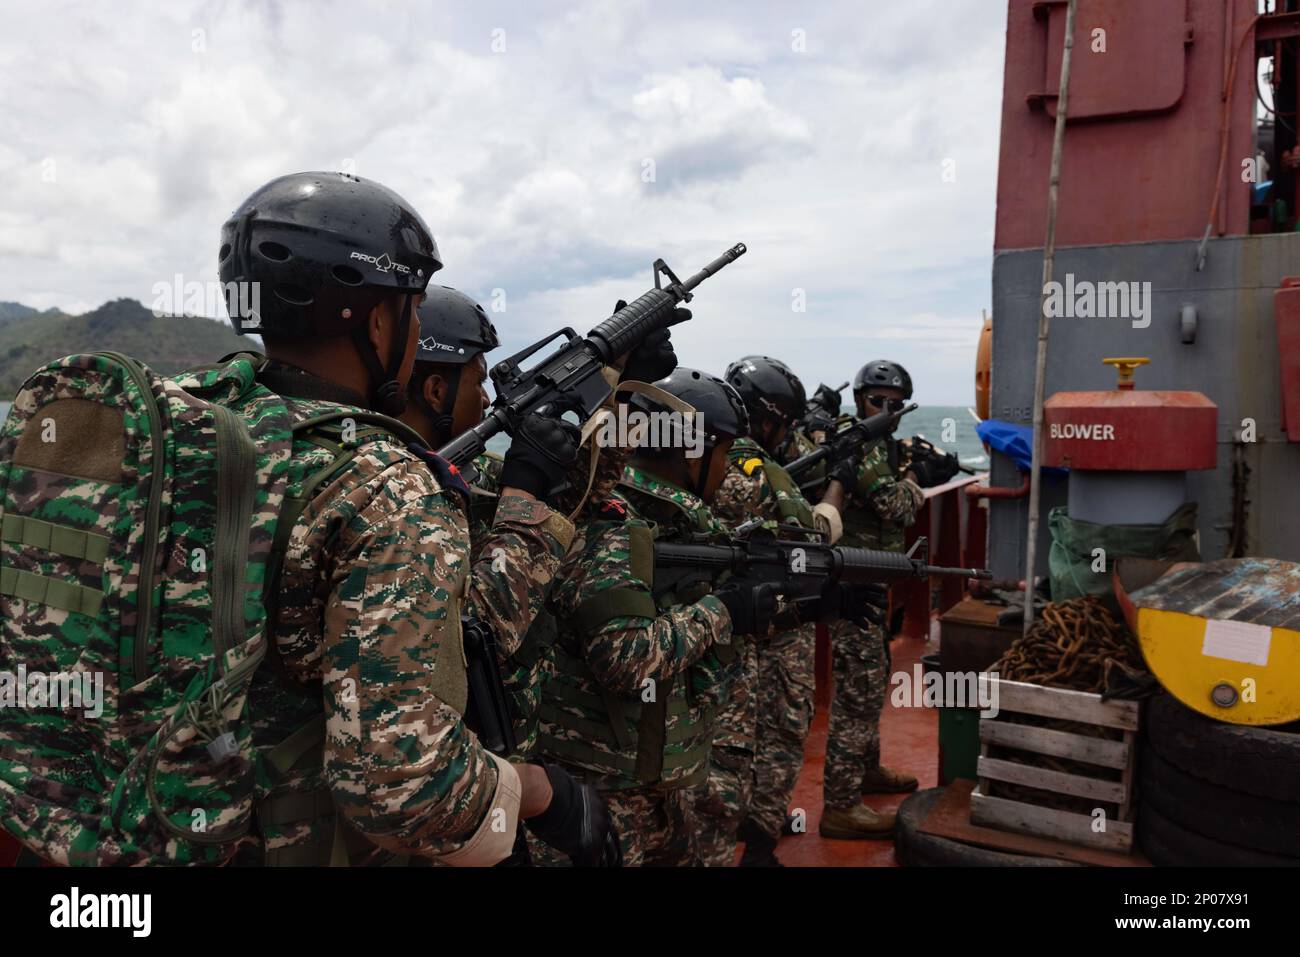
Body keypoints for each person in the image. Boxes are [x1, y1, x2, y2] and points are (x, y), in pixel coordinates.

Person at [219, 171, 615, 865]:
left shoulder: (218, 435)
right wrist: (538, 792)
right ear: (379, 321)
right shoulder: (384, 485)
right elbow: (402, 783)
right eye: (410, 308)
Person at [533, 368, 779, 866]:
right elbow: (625, 660)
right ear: (693, 454)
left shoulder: (670, 526)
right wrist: (724, 609)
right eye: (725, 455)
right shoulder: (619, 526)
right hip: (604, 798)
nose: (728, 471)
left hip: (654, 786)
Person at [698, 356, 838, 866]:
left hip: (713, 628)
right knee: (778, 731)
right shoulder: (756, 474)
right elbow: (810, 538)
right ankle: (757, 848)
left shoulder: (702, 459)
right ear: (765, 417)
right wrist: (831, 500)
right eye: (782, 422)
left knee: (720, 745)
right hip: (772, 626)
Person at [811, 358, 925, 840]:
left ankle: (866, 769)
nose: (887, 409)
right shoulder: (862, 446)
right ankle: (840, 805)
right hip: (853, 583)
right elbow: (896, 506)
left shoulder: (875, 444)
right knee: (858, 688)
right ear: (860, 401)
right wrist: (915, 486)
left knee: (874, 676)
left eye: (895, 404)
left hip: (872, 579)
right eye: (878, 401)